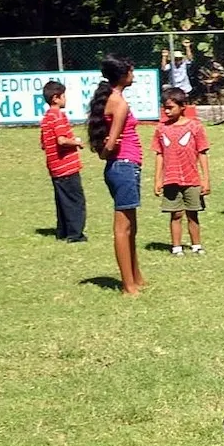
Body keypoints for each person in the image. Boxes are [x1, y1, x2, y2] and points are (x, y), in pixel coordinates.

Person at [88, 55, 148, 296]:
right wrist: (108, 148)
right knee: (123, 228)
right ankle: (128, 285)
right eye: (131, 71)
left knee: (131, 226)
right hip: (123, 166)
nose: (134, 74)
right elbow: (110, 146)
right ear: (123, 75)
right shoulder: (119, 103)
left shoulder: (110, 99)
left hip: (123, 166)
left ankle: (136, 277)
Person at [153, 88, 212, 255]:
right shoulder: (161, 129)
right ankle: (176, 246)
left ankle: (196, 245)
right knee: (175, 214)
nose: (167, 111)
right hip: (171, 179)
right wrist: (157, 179)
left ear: (183, 106)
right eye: (165, 107)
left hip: (192, 178)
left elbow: (202, 153)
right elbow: (159, 155)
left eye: (170, 107)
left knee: (193, 213)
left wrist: (205, 179)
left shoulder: (195, 127)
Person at [39, 79, 86, 241]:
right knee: (75, 201)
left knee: (62, 201)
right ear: (56, 98)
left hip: (54, 167)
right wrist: (77, 142)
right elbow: (61, 140)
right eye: (63, 96)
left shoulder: (46, 118)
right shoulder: (58, 116)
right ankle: (75, 234)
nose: (66, 99)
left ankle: (63, 231)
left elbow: (43, 144)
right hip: (67, 166)